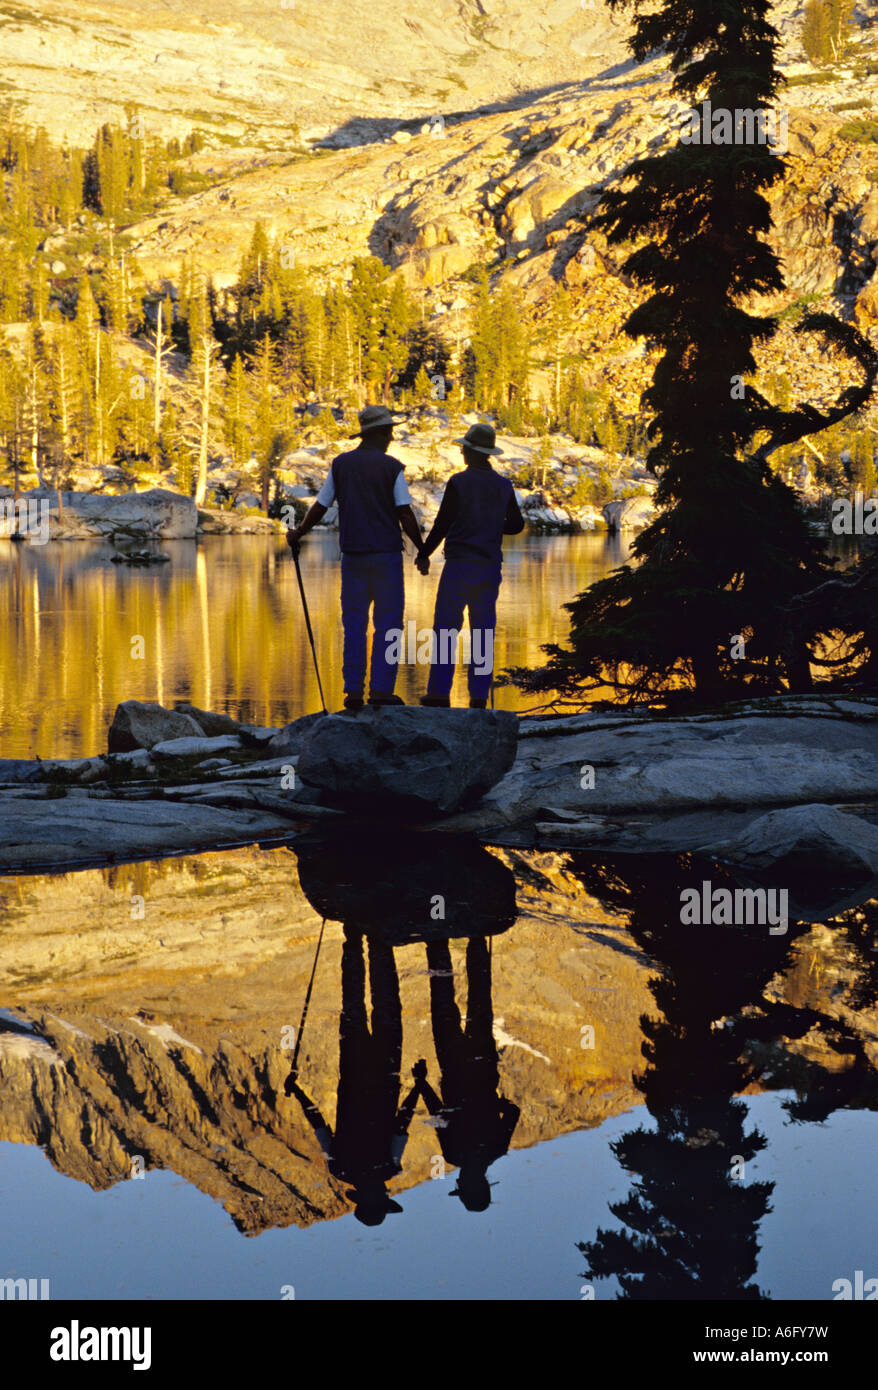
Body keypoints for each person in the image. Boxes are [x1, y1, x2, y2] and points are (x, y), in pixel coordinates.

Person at [286, 405, 428, 711]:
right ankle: (380, 691)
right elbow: (404, 511)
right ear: (378, 434)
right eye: (389, 431)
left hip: (353, 557)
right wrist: (422, 549)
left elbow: (321, 506)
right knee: (388, 625)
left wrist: (299, 532)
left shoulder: (341, 465)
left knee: (354, 625)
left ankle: (352, 691)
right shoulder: (392, 467)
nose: (392, 436)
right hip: (386, 557)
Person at [417, 422, 524, 709]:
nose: (462, 452)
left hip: (460, 565)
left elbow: (442, 524)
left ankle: (439, 693)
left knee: (446, 628)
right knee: (483, 629)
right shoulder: (503, 485)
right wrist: (490, 526)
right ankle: (478, 696)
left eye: (464, 448)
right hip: (489, 566)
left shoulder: (459, 483)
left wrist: (424, 554)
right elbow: (516, 524)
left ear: (470, 452)